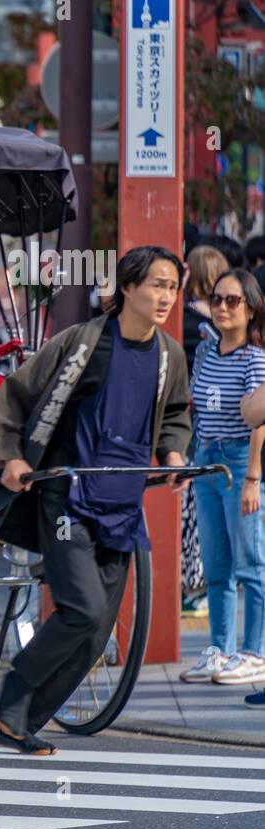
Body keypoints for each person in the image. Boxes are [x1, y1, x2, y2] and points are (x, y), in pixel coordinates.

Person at [0, 245, 192, 754]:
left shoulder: (169, 355)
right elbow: (18, 395)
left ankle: (21, 721)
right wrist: (12, 459)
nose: (165, 296)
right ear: (127, 287)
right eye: (156, 284)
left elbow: (175, 413)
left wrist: (174, 455)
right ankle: (15, 692)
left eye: (172, 287)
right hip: (65, 496)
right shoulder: (83, 343)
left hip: (122, 503)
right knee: (83, 611)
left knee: (94, 634)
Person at [180, 268, 265, 685]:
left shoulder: (255, 357)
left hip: (238, 464)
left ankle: (254, 652)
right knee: (216, 565)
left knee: (251, 562)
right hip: (206, 461)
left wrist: (252, 477)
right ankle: (218, 649)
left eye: (234, 301)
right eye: (218, 299)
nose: (223, 307)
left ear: (251, 310)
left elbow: (259, 422)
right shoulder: (206, 351)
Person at [179, 245, 229, 614]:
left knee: (191, 501)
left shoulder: (183, 320)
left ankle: (191, 581)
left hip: (191, 418)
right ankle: (200, 582)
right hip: (224, 422)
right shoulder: (226, 326)